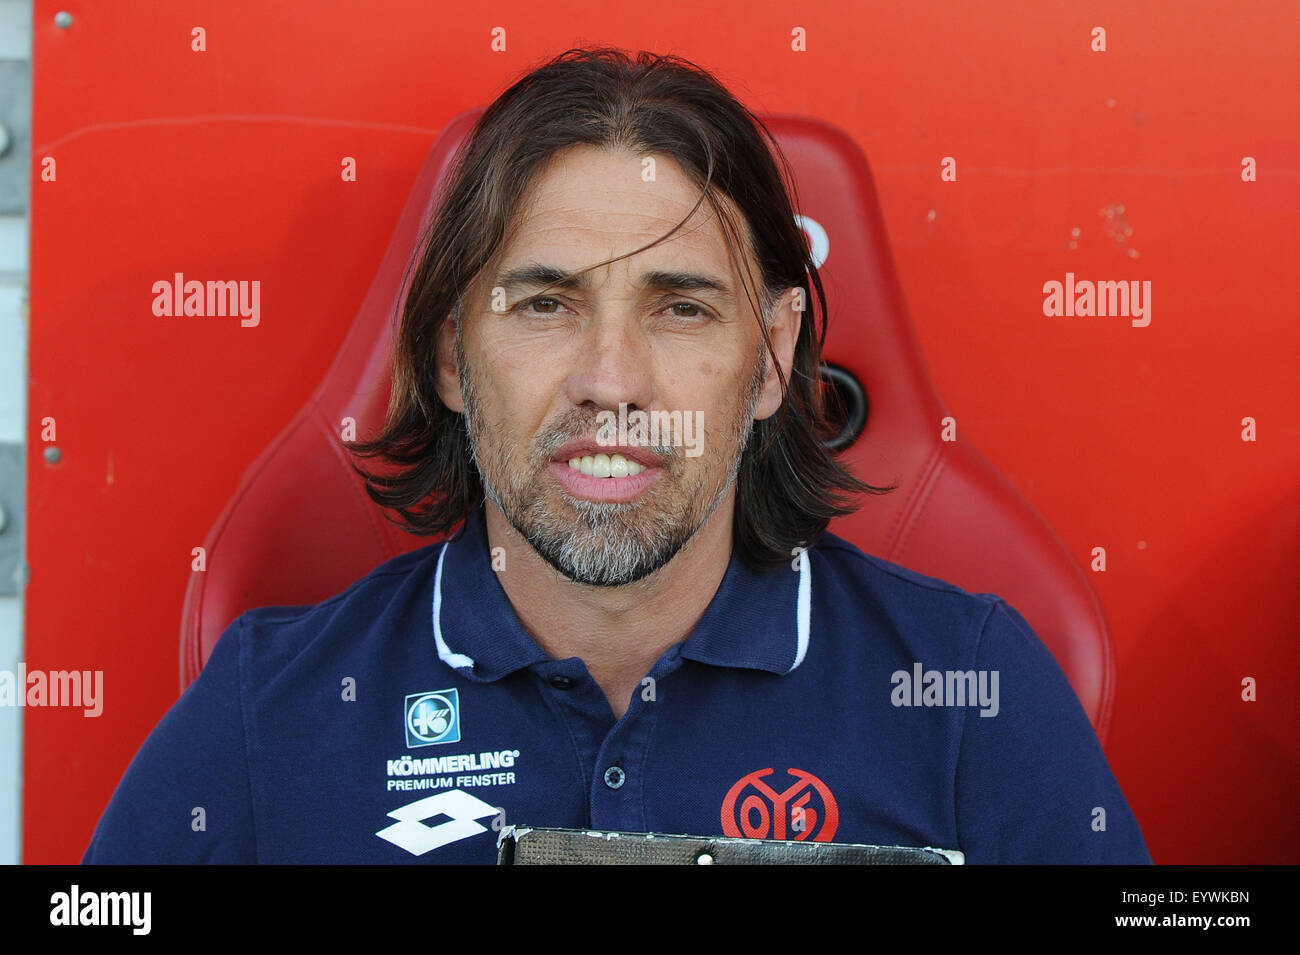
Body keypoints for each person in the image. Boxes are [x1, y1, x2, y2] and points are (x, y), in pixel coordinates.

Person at [83, 47, 1150, 864]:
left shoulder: (972, 693)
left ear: (772, 358)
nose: (611, 379)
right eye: (545, 303)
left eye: (680, 308)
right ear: (453, 355)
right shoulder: (268, 711)